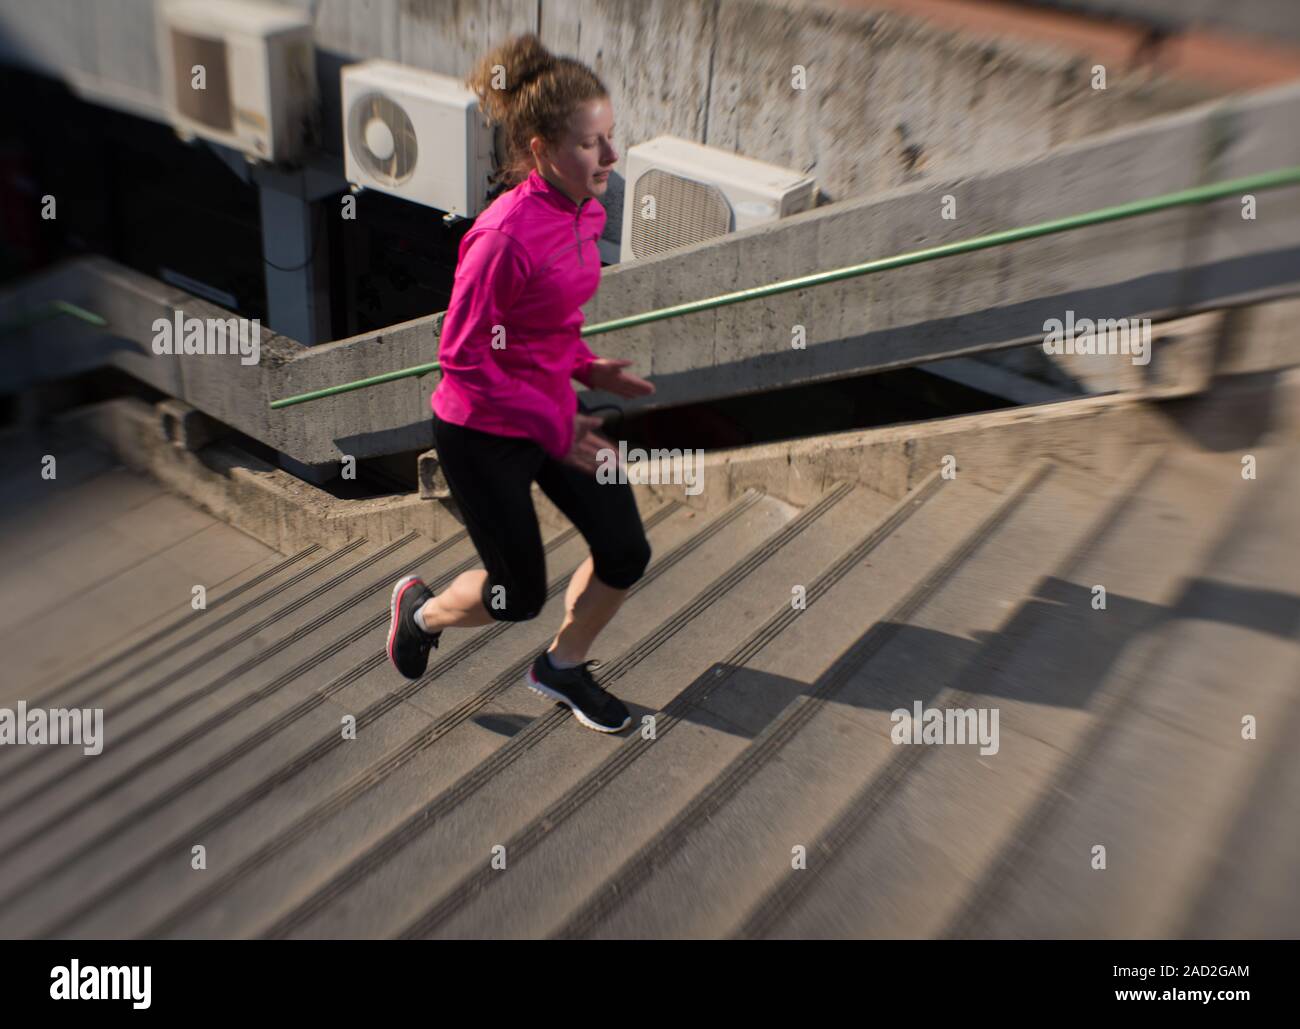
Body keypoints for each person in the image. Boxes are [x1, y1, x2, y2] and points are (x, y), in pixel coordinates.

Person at [386, 33, 655, 733]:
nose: (611, 157)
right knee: (515, 595)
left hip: (551, 412)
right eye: (590, 143)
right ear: (538, 149)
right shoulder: (501, 237)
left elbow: (547, 321)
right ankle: (419, 611)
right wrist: (555, 426)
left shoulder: (585, 210)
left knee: (626, 550)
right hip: (483, 433)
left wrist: (585, 367)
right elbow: (465, 359)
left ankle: (561, 668)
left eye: (611, 138)